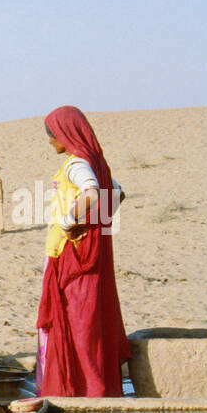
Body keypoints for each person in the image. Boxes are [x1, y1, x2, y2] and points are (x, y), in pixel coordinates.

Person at [37, 106, 130, 397]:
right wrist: (97, 223)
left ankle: (83, 390)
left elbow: (91, 194)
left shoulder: (77, 164)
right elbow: (117, 193)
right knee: (90, 318)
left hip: (74, 256)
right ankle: (92, 386)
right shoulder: (98, 163)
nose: (51, 141)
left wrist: (69, 222)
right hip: (88, 252)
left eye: (52, 135)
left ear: (66, 134)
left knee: (78, 320)